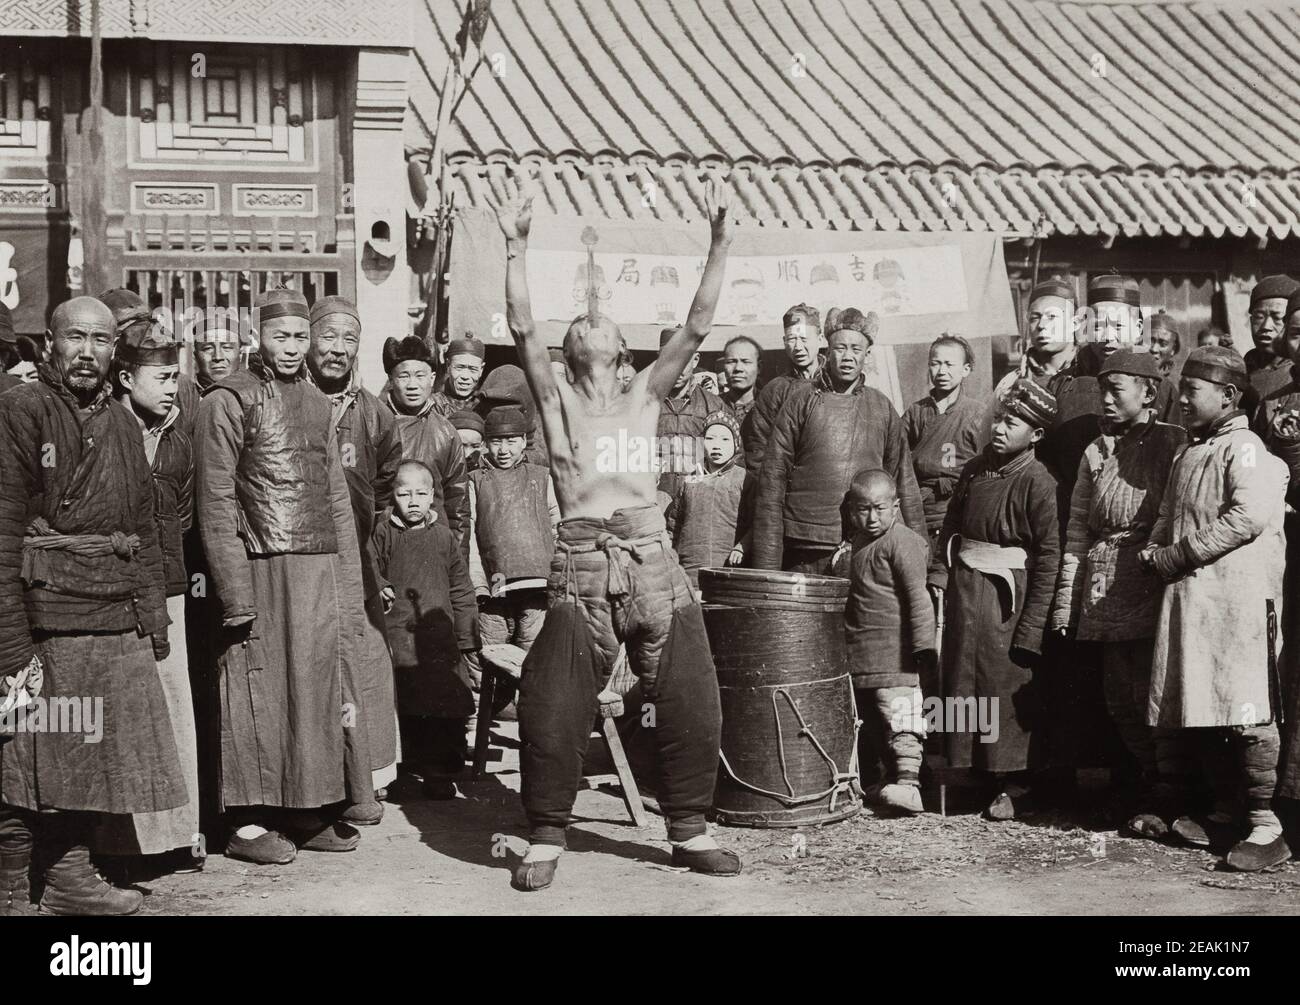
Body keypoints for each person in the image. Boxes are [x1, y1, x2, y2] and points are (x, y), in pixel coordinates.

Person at [490, 172, 740, 891]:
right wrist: (515, 244)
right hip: (581, 564)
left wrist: (720, 241)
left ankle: (689, 830)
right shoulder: (556, 399)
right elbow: (519, 326)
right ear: (571, 353)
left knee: (692, 693)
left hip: (654, 560)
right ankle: (545, 834)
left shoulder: (646, 394)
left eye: (603, 320)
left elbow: (696, 326)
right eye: (580, 324)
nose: (592, 318)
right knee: (553, 702)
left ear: (625, 352)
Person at [0, 297, 184, 916]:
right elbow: (1, 533)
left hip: (110, 617)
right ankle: (10, 885)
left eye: (101, 340)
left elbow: (145, 525)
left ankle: (68, 878)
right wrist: (11, 643)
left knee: (85, 756)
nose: (87, 352)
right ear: (49, 342)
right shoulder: (21, 411)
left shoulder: (122, 422)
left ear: (115, 351)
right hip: (46, 618)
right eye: (75, 337)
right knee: (28, 756)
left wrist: (153, 614)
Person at [196, 287, 372, 865]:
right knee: (254, 688)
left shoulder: (320, 404)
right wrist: (234, 588)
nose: (292, 349)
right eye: (281, 337)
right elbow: (216, 498)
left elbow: (336, 500)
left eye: (300, 337)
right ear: (258, 336)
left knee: (313, 689)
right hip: (259, 566)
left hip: (316, 568)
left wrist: (347, 581)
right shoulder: (228, 399)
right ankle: (244, 822)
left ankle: (305, 807)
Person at [1141, 346, 1290, 872]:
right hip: (1192, 599)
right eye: (1179, 388)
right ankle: (1223, 811)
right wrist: (1154, 549)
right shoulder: (1189, 451)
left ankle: (1265, 825)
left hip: (1239, 603)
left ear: (1228, 396)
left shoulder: (1246, 448)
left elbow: (1247, 517)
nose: (1180, 398)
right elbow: (1167, 513)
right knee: (1200, 703)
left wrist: (1176, 555)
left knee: (1246, 707)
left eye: (1192, 390)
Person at [1049, 350, 1188, 836]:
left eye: (1117, 390)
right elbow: (1077, 531)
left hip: (1150, 575)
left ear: (1149, 394)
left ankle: (1173, 791)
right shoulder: (1094, 451)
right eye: (1102, 390)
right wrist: (1068, 598)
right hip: (1103, 580)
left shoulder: (1175, 444)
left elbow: (1178, 515)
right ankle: (1147, 783)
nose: (1106, 400)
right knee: (1119, 699)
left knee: (1152, 691)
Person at [90, 320, 202, 876]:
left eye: (175, 378)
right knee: (126, 714)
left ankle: (178, 835)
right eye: (161, 377)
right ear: (125, 377)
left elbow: (182, 517)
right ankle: (120, 847)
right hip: (116, 592)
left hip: (170, 585)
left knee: (172, 705)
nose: (171, 388)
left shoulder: (178, 435)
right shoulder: (106, 430)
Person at [929, 378, 1060, 820]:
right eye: (999, 419)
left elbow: (1049, 555)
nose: (1000, 428)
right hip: (965, 592)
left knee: (1002, 685)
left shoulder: (1039, 481)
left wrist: (1032, 624)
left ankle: (1012, 780)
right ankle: (971, 771)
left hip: (1009, 599)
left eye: (1014, 423)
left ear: (1036, 435)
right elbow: (950, 526)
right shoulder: (974, 469)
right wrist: (939, 573)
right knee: (962, 681)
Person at [305, 295, 401, 823]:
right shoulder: (292, 399)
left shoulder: (375, 414)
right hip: (301, 555)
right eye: (328, 337)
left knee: (366, 664)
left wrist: (375, 562)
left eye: (349, 339)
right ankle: (319, 780)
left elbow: (385, 490)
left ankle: (367, 774)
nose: (337, 350)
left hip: (355, 559)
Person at [751, 307, 925, 573]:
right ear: (827, 350)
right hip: (805, 546)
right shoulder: (800, 402)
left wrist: (922, 558)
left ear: (867, 355)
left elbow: (903, 481)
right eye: (840, 348)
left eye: (856, 350)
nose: (847, 357)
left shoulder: (881, 407)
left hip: (867, 545)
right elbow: (772, 482)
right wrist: (767, 566)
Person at [374, 460, 480, 800]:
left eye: (421, 493)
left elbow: (461, 588)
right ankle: (403, 771)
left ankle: (440, 772)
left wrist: (466, 638)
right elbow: (368, 565)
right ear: (393, 497)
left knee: (443, 706)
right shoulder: (384, 531)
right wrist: (378, 583)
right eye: (404, 494)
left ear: (433, 495)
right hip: (397, 636)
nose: (413, 501)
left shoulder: (443, 536)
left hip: (438, 638)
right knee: (404, 705)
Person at [831, 470, 934, 816]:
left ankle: (909, 784)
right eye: (862, 509)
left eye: (879, 508)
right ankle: (885, 779)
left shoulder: (902, 541)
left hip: (896, 652)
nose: (871, 517)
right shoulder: (856, 544)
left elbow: (918, 597)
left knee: (901, 714)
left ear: (895, 506)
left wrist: (923, 647)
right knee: (873, 719)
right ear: (850, 511)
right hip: (861, 652)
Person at [467, 405, 557, 704]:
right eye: (496, 441)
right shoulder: (475, 481)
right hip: (495, 587)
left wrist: (557, 577)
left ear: (523, 441)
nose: (504, 449)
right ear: (485, 443)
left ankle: (531, 727)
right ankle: (484, 734)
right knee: (491, 655)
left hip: (538, 585)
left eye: (511, 441)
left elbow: (558, 526)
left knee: (533, 657)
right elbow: (470, 536)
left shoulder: (542, 477)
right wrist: (479, 583)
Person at [381, 335, 471, 562]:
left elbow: (457, 506)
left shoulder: (446, 432)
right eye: (404, 376)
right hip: (385, 547)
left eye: (420, 376)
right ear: (391, 379)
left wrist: (457, 565)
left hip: (433, 548)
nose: (413, 385)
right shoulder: (374, 424)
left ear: (432, 379)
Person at [903, 334, 985, 556]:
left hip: (958, 508)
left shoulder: (977, 415)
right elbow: (897, 458)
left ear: (965, 369)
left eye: (949, 364)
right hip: (919, 508)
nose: (941, 371)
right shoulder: (915, 412)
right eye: (935, 363)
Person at [664, 409, 753, 584]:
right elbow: (673, 525)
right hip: (689, 567)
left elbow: (757, 522)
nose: (717, 445)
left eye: (725, 439)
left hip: (728, 567)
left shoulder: (745, 479)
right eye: (710, 438)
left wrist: (743, 546)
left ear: (736, 444)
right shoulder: (689, 480)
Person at [742, 303, 822, 471]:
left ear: (820, 339)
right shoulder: (774, 391)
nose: (798, 347)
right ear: (784, 342)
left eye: (804, 339)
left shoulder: (839, 384)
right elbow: (759, 450)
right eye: (792, 339)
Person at [655, 325, 724, 500]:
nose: (677, 366)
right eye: (670, 358)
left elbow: (731, 461)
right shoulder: (645, 403)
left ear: (695, 360)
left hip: (699, 500)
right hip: (654, 502)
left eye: (683, 358)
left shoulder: (713, 405)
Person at [1244, 275, 1299, 416]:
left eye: (1277, 317)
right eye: (1259, 317)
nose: (1266, 326)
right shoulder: (1242, 368)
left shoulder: (1294, 374)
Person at [432, 334, 486, 417]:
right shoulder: (433, 405)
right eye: (459, 368)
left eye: (472, 369)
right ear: (448, 366)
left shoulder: (484, 407)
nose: (465, 376)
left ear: (481, 370)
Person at [718, 335, 761, 428]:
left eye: (746, 362)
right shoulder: (713, 405)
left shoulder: (770, 407)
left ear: (759, 367)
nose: (738, 368)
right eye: (731, 361)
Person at [1146, 310, 1181, 378]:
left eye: (1163, 344)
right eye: (1149, 342)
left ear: (1173, 349)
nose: (1154, 349)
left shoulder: (1176, 382)